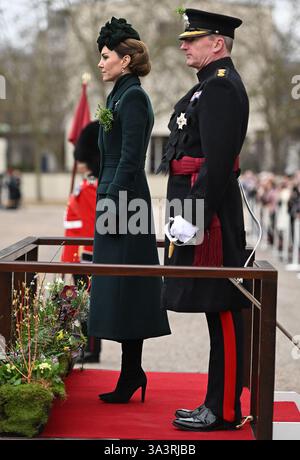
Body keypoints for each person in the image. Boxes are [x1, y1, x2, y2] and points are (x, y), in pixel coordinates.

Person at [158, 9, 250, 431]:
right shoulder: (208, 88)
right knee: (217, 310)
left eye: (192, 38)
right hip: (205, 212)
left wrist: (193, 215)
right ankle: (215, 402)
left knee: (226, 307)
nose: (183, 44)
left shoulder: (220, 89)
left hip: (212, 218)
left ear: (217, 43)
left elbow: (214, 164)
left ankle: (226, 409)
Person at [89, 17, 171, 403]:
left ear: (125, 60)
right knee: (117, 285)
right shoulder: (118, 94)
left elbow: (131, 157)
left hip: (124, 200)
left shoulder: (133, 96)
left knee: (128, 285)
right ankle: (130, 372)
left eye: (106, 57)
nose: (101, 63)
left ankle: (131, 372)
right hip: (114, 196)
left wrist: (111, 199)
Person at [61, 121, 102, 363]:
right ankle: (87, 345)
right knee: (83, 303)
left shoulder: (90, 189)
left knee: (88, 303)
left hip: (85, 253)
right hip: (79, 252)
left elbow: (87, 225)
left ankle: (92, 348)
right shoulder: (87, 186)